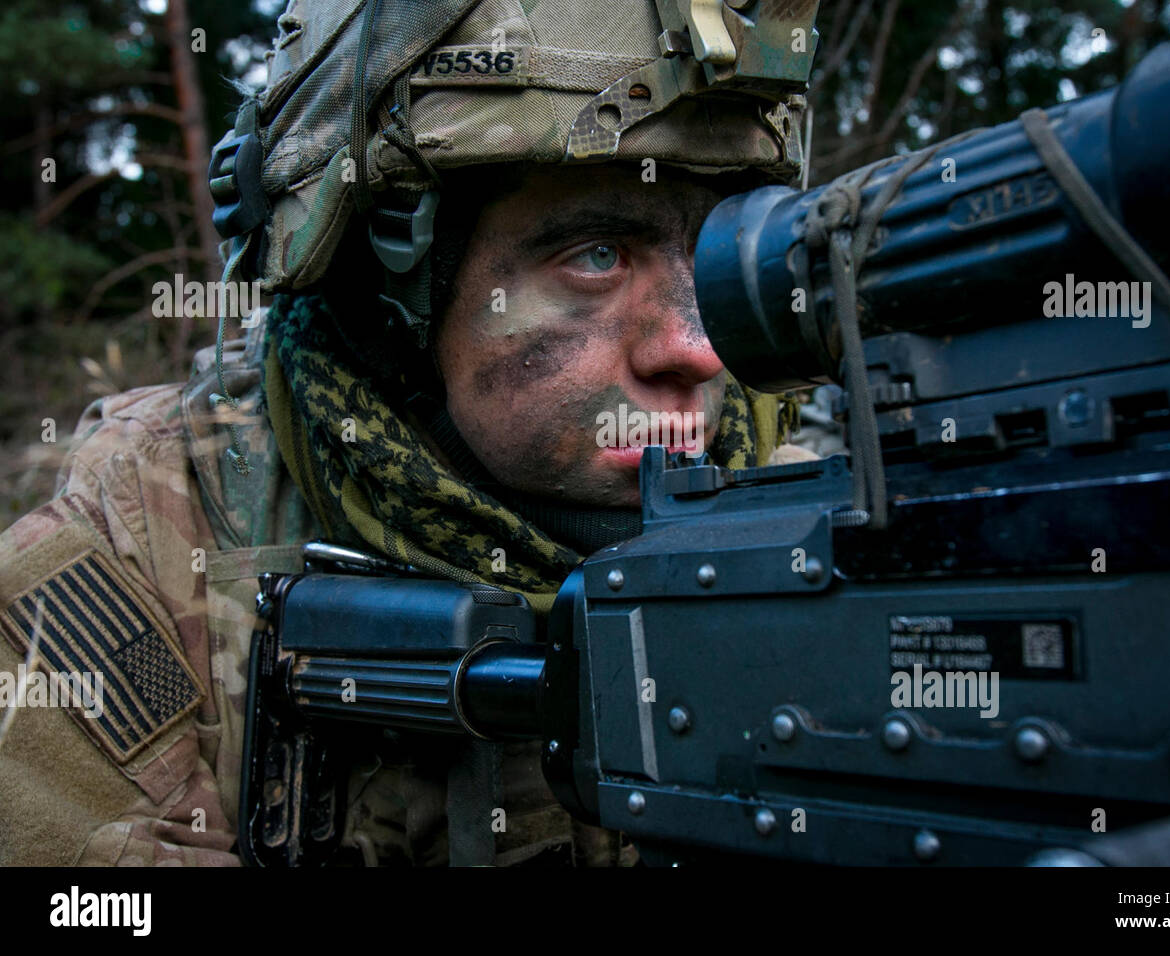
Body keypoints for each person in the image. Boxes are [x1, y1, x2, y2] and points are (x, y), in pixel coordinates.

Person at [0, 0, 818, 865]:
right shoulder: (138, 564)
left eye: (719, 249)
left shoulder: (816, 538)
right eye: (597, 256)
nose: (693, 349)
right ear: (390, 286)